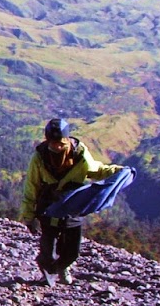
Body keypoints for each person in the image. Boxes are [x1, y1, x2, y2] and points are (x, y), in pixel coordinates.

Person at [21, 118, 126, 286]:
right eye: (52, 143)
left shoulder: (79, 154)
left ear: (67, 139)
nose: (56, 147)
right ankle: (47, 269)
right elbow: (31, 187)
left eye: (60, 143)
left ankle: (60, 267)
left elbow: (96, 170)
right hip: (48, 206)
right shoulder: (40, 157)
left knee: (72, 252)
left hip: (72, 206)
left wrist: (118, 171)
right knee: (47, 249)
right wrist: (29, 216)